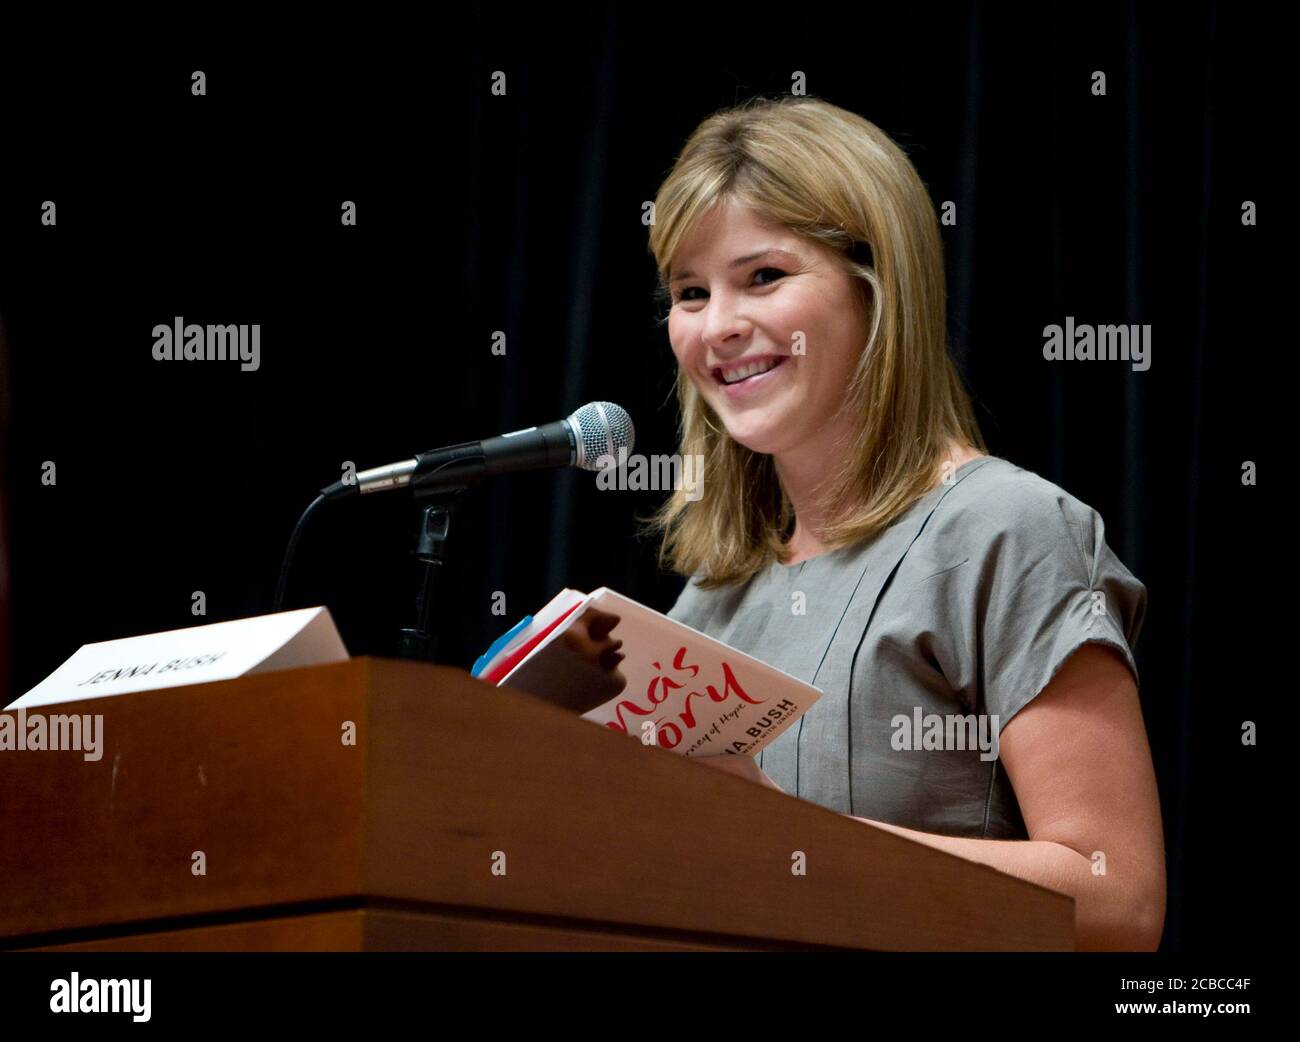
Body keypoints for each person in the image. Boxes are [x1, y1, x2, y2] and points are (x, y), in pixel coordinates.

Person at [638, 96, 1165, 951]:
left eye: (763, 277)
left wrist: (792, 846)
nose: (718, 325)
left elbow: (1119, 900)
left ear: (877, 285)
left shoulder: (1007, 530)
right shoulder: (708, 600)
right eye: (689, 292)